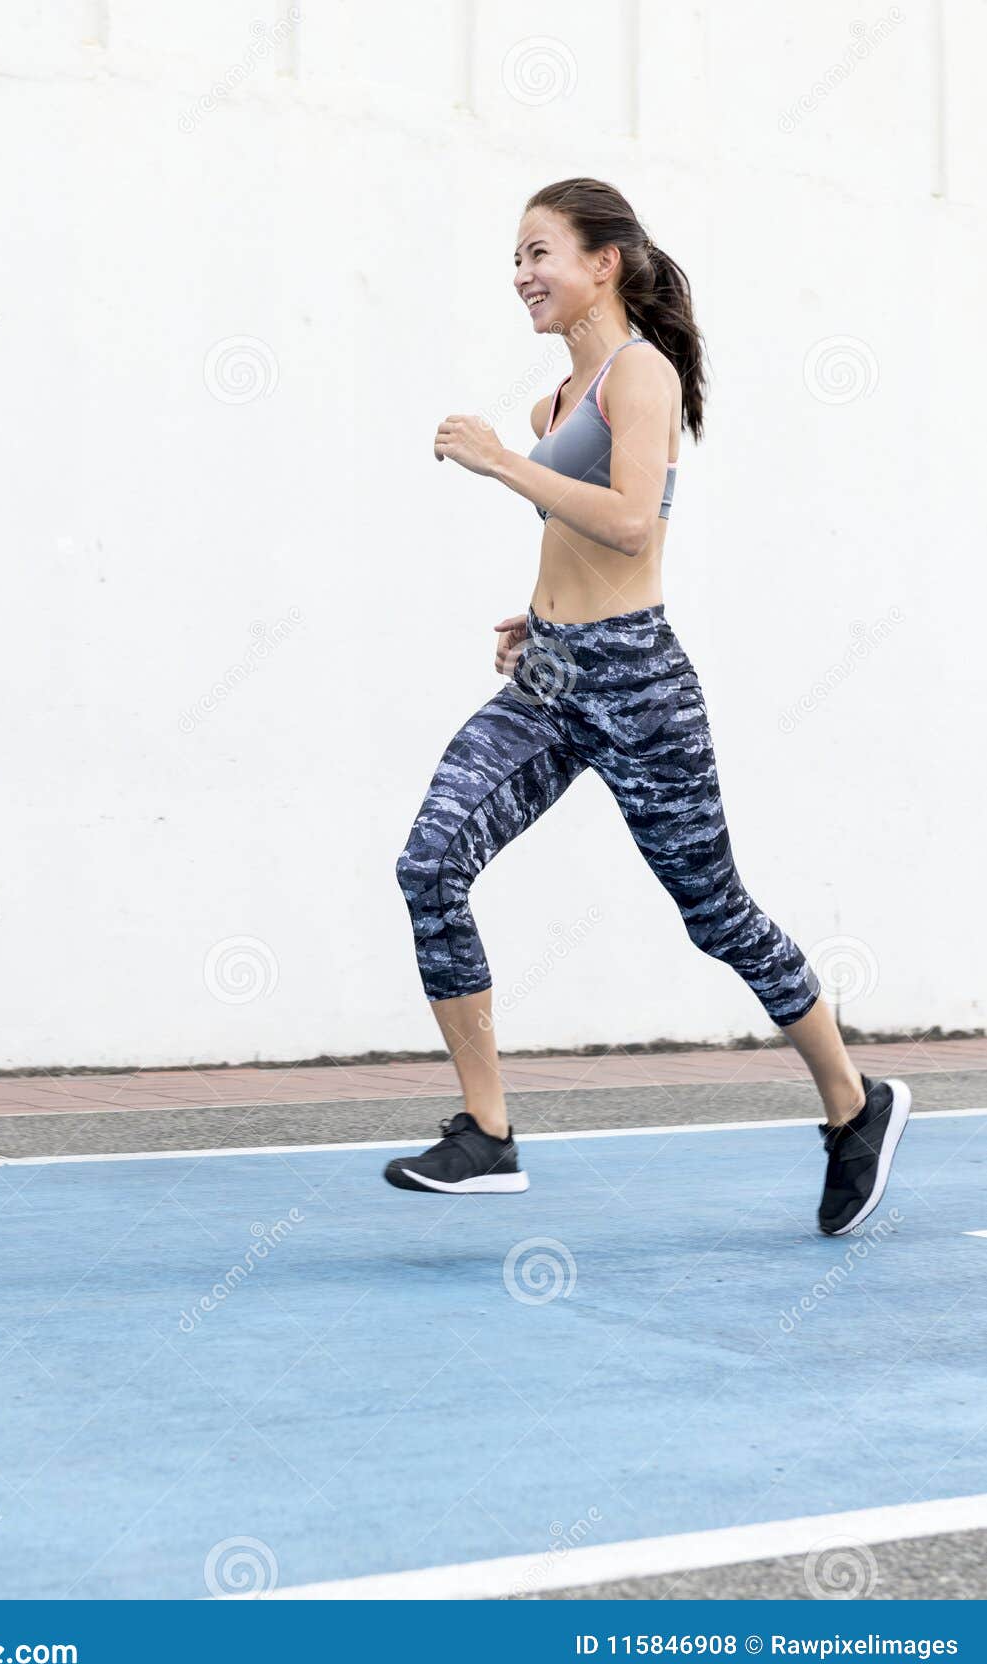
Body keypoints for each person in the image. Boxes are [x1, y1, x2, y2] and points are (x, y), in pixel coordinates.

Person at [385, 178, 909, 1237]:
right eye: (514, 260)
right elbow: (580, 544)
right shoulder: (553, 405)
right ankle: (485, 1133)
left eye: (539, 253)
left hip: (635, 686)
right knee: (428, 861)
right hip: (550, 680)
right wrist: (536, 619)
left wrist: (498, 465)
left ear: (602, 262)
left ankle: (853, 1104)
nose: (522, 276)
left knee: (712, 912)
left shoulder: (641, 376)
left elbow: (630, 527)